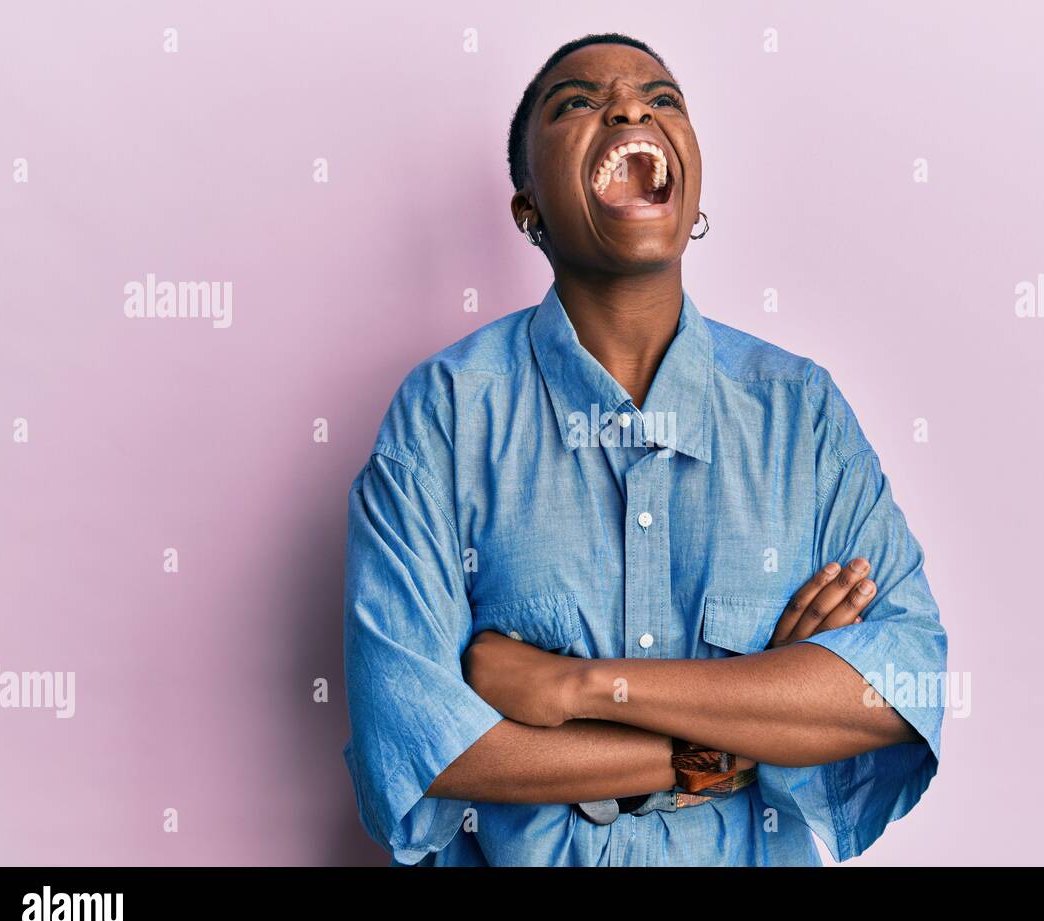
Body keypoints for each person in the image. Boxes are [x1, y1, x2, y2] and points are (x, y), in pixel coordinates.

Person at [341, 32, 948, 866]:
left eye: (662, 100)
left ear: (691, 190)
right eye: (578, 103)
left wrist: (571, 690)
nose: (631, 108)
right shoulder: (445, 416)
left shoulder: (799, 412)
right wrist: (743, 726)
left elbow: (902, 688)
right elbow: (418, 746)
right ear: (529, 211)